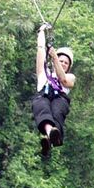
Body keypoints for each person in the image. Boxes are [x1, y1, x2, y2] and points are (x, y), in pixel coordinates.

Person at [32, 23, 76, 156]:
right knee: (42, 106)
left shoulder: (70, 76)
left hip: (59, 98)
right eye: (61, 60)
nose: (62, 63)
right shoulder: (44, 74)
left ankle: (49, 137)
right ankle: (49, 136)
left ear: (68, 67)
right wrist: (41, 32)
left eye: (65, 63)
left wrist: (55, 58)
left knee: (57, 110)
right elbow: (40, 51)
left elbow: (63, 80)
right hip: (43, 96)